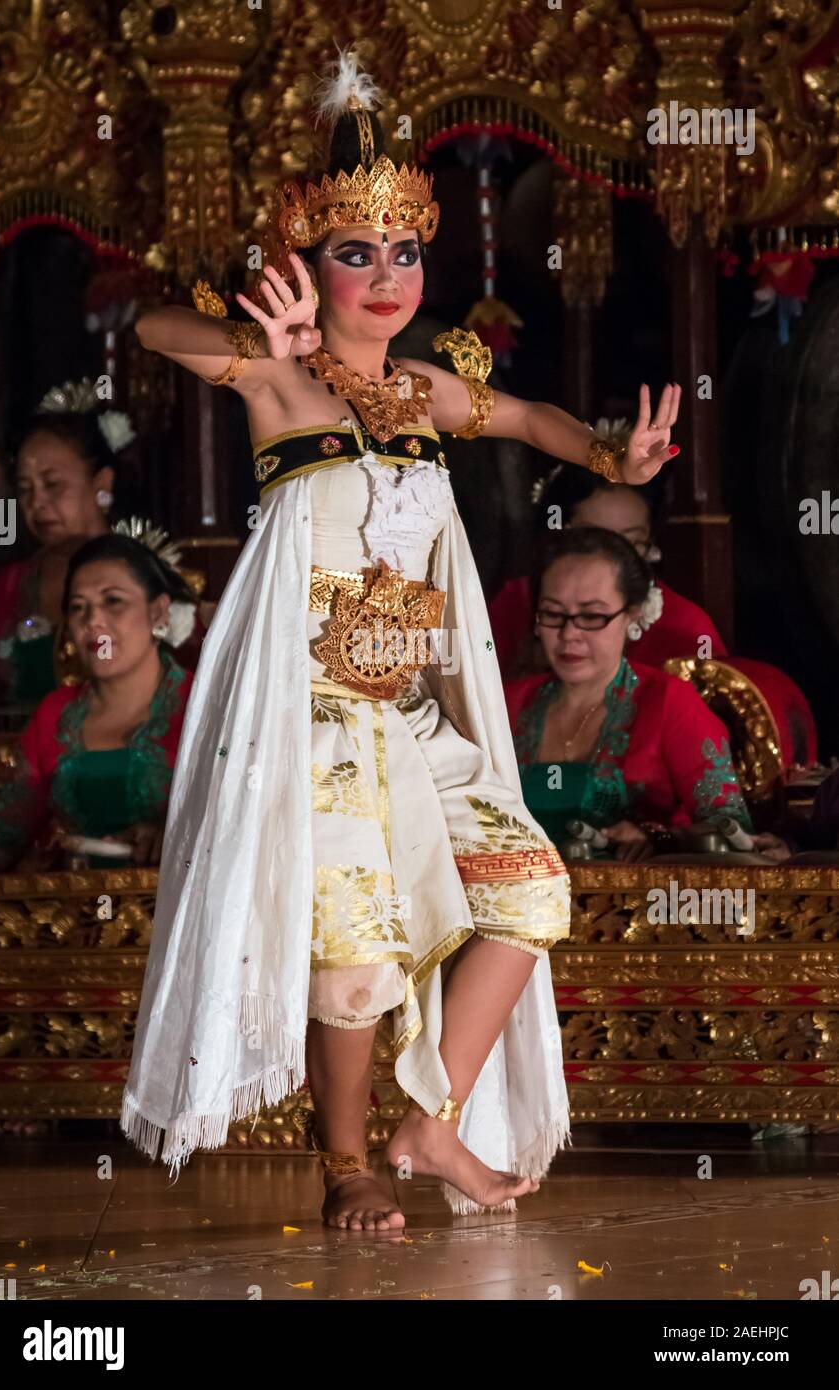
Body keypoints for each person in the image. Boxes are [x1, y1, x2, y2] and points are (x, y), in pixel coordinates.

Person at [119, 47, 681, 1232]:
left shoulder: (424, 392)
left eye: (404, 251)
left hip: (415, 720)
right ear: (310, 264)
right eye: (354, 253)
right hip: (319, 725)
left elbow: (528, 416)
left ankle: (428, 1116)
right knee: (355, 956)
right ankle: (345, 1165)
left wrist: (608, 458)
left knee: (528, 888)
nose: (384, 275)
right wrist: (250, 333)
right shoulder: (281, 386)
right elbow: (148, 323)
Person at [505, 528, 751, 859]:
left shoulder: (667, 702)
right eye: (552, 614)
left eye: (592, 616)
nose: (569, 634)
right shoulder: (507, 703)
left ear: (632, 614)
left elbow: (732, 829)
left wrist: (659, 838)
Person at [0, 534, 194, 872]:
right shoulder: (56, 715)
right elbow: (2, 836)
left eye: (113, 601)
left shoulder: (204, 706)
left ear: (158, 612)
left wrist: (178, 836)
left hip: (178, 912)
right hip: (77, 914)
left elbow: (246, 821)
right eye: (78, 607)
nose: (93, 621)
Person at [0, 386, 132, 704]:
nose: (37, 503)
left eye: (53, 484)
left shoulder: (144, 577)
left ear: (101, 484)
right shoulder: (10, 587)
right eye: (25, 489)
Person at [489, 466, 725, 676]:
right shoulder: (516, 601)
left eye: (630, 542)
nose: (613, 559)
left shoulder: (686, 626)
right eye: (594, 541)